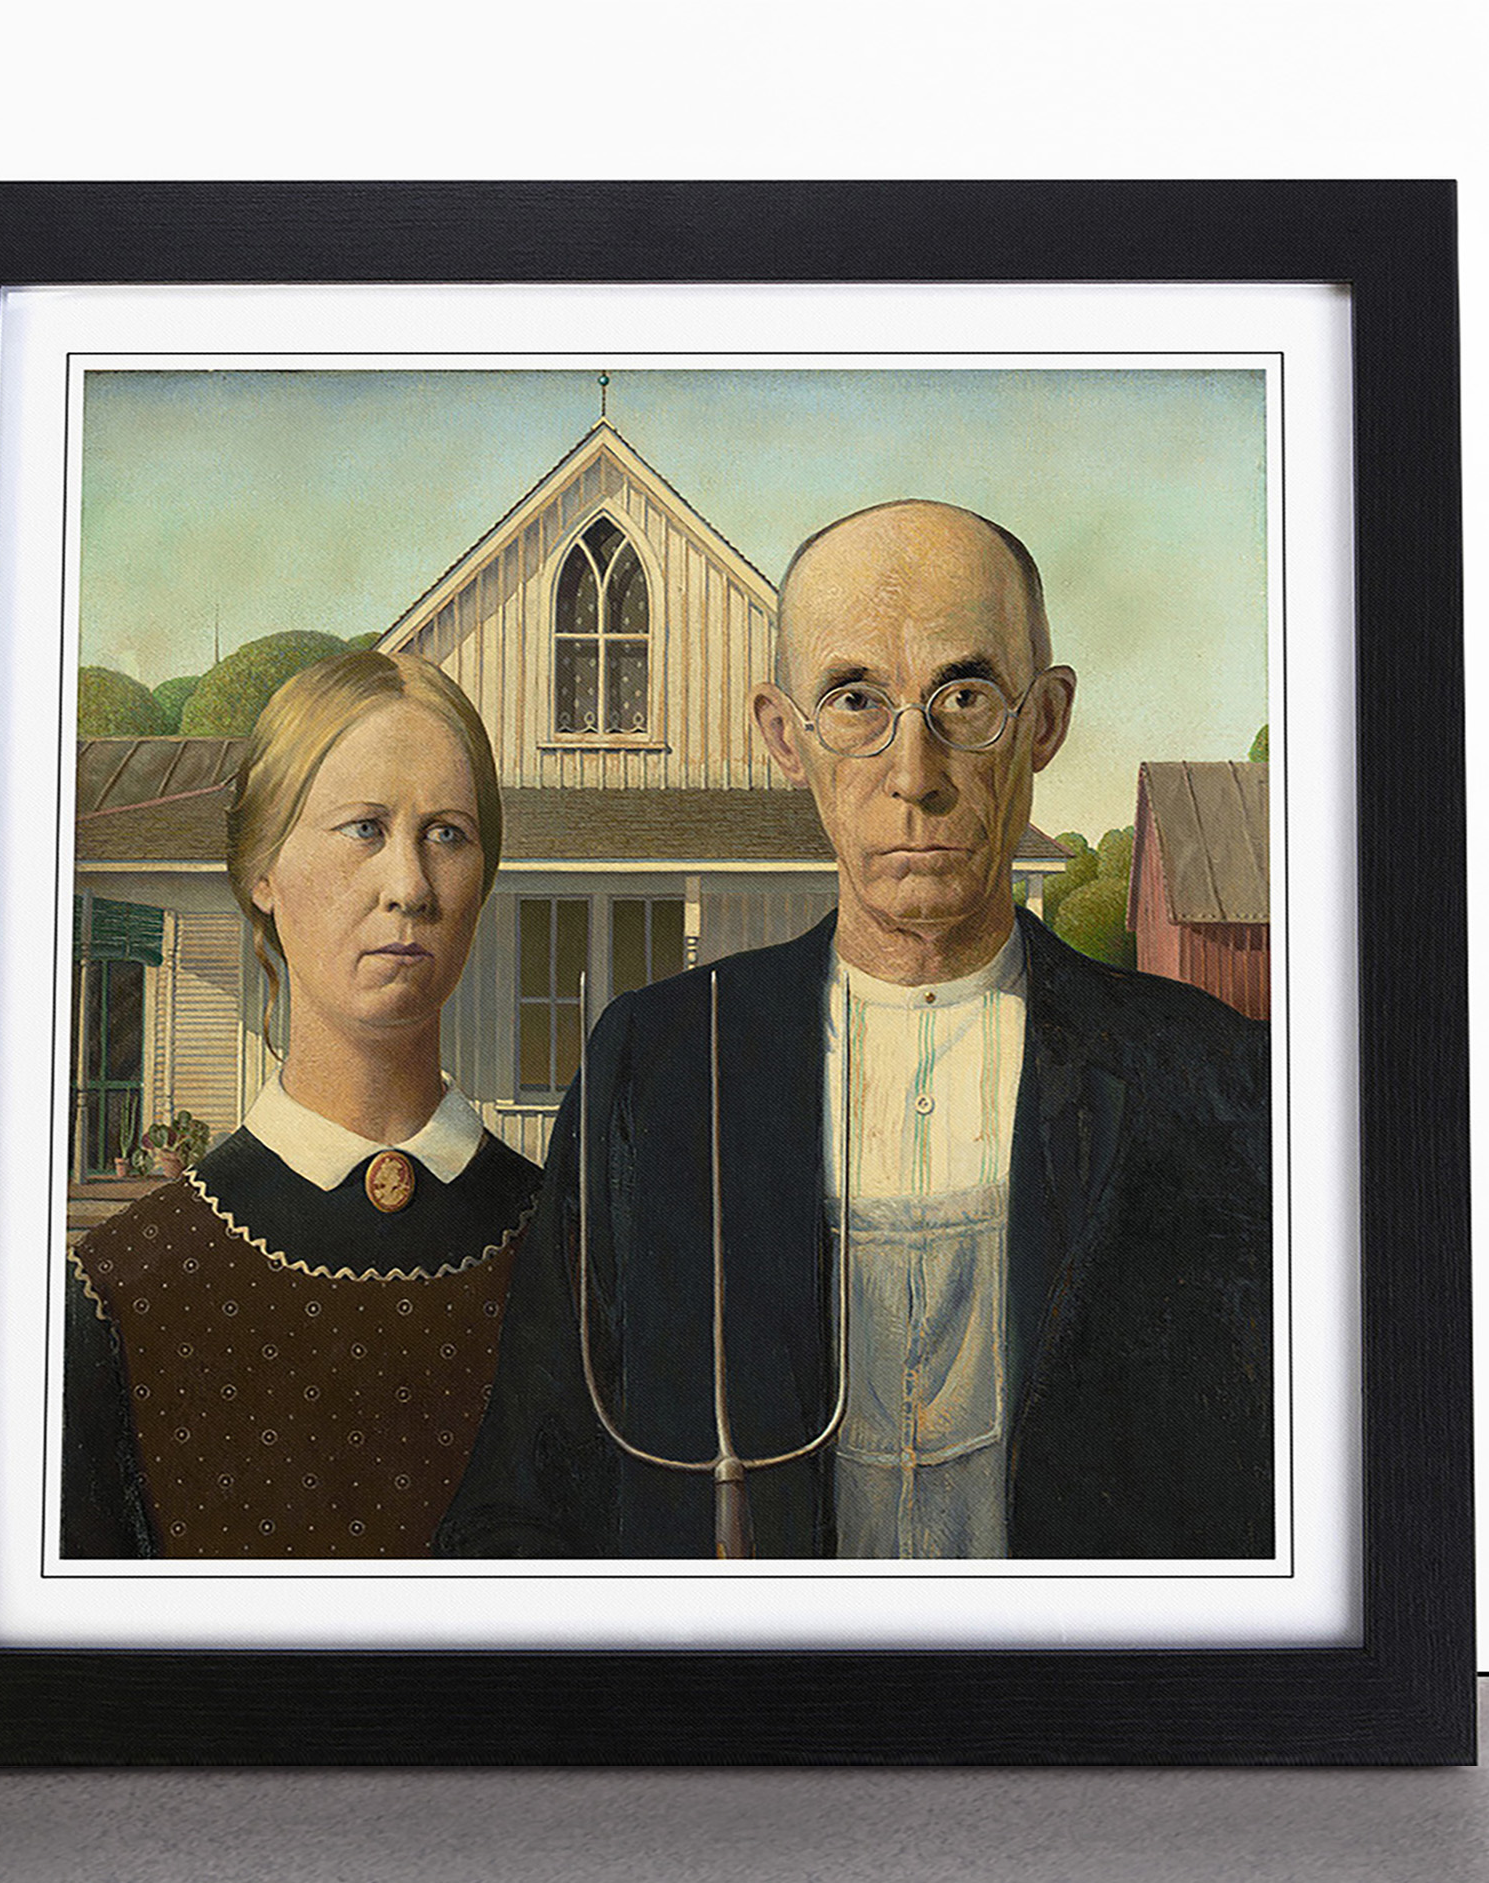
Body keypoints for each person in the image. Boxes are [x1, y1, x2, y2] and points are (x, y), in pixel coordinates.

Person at [436, 502, 1271, 1561]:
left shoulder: (1204, 1079)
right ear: (785, 736)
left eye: (964, 698)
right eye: (855, 701)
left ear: (1047, 721)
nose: (913, 773)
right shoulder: (661, 1065)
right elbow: (522, 1508)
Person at [63, 653, 541, 1559]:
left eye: (447, 834)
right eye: (364, 829)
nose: (411, 886)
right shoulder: (121, 1289)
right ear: (263, 873)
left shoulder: (576, 1253)